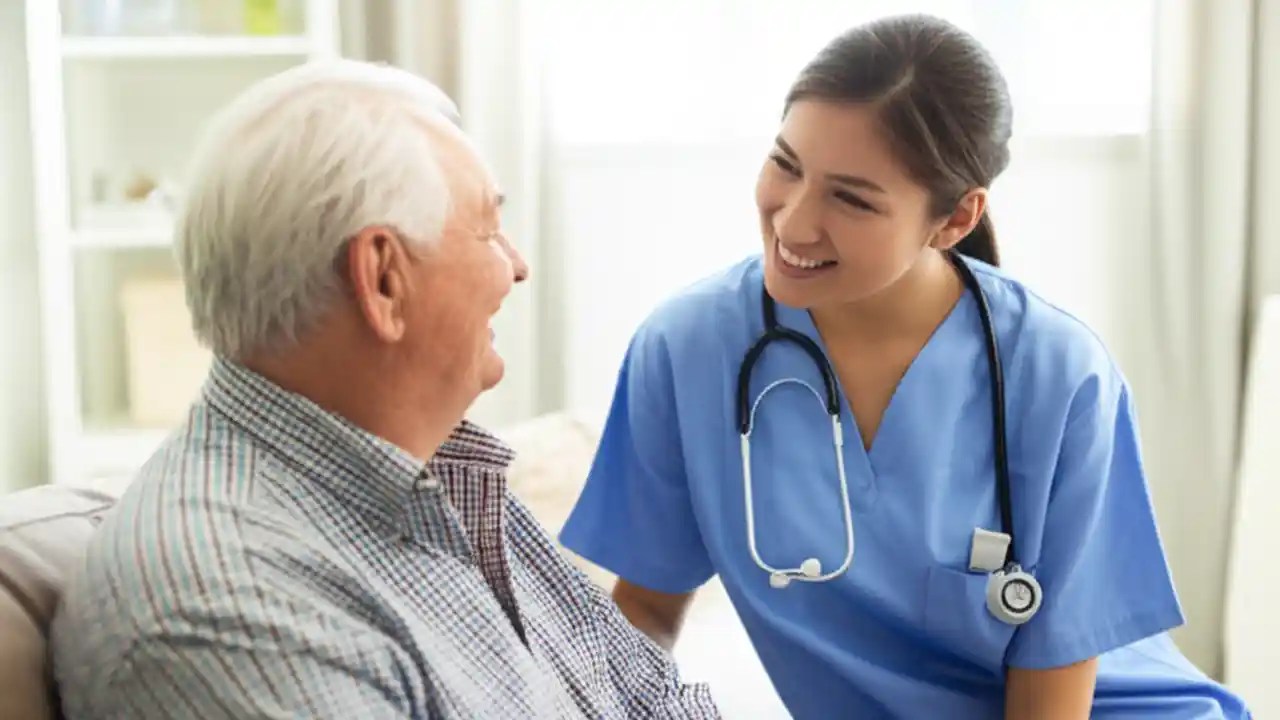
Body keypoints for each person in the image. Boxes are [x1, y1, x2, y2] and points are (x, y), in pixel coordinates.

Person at [559, 14, 1252, 720]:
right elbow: (643, 608)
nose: (793, 223)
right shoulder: (688, 349)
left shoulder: (1059, 374)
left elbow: (1053, 691)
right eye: (786, 165)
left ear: (953, 220)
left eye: (851, 199)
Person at [50, 59, 720, 720]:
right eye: (488, 229)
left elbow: (647, 696)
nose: (516, 267)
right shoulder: (229, 609)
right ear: (383, 280)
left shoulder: (439, 470)